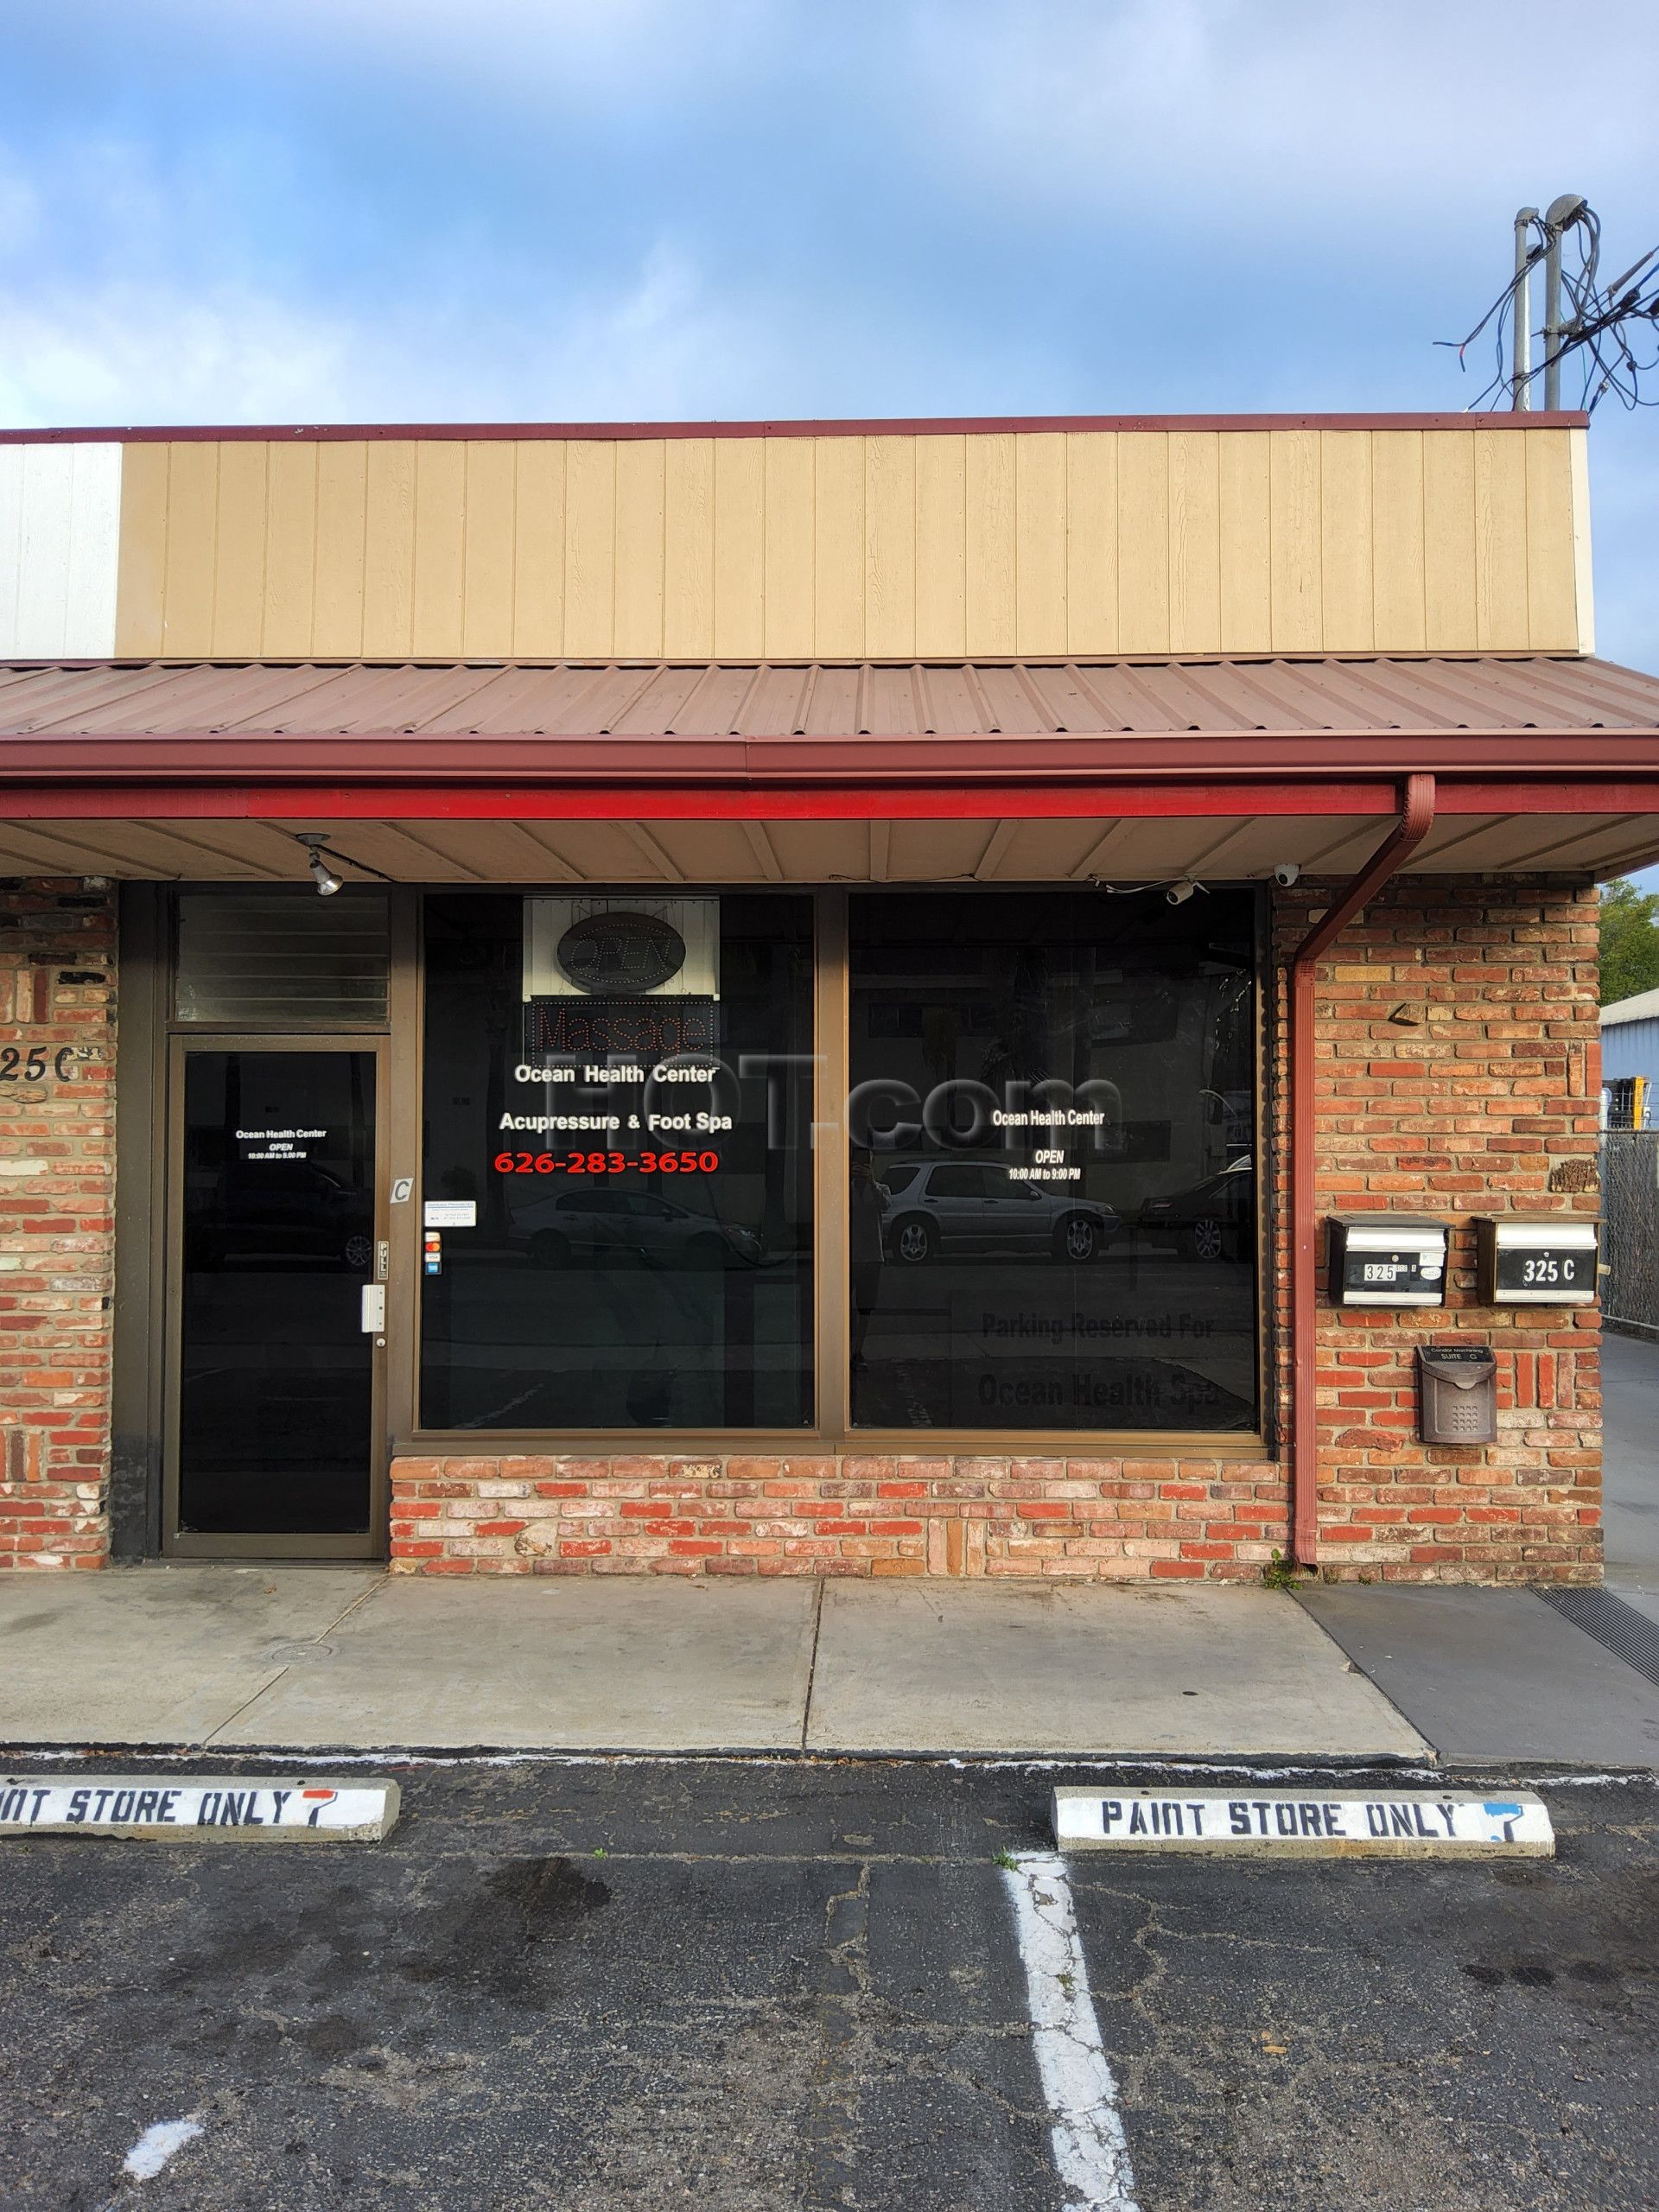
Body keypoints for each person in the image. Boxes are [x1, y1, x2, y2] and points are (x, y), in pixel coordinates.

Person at [849, 1149, 889, 1367]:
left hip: (872, 1257)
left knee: (865, 1307)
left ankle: (858, 1351)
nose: (862, 1166)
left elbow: (885, 1205)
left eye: (866, 1162)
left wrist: (871, 1182)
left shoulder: (880, 1188)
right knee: (846, 1307)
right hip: (850, 1257)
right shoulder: (846, 1189)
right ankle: (847, 1348)